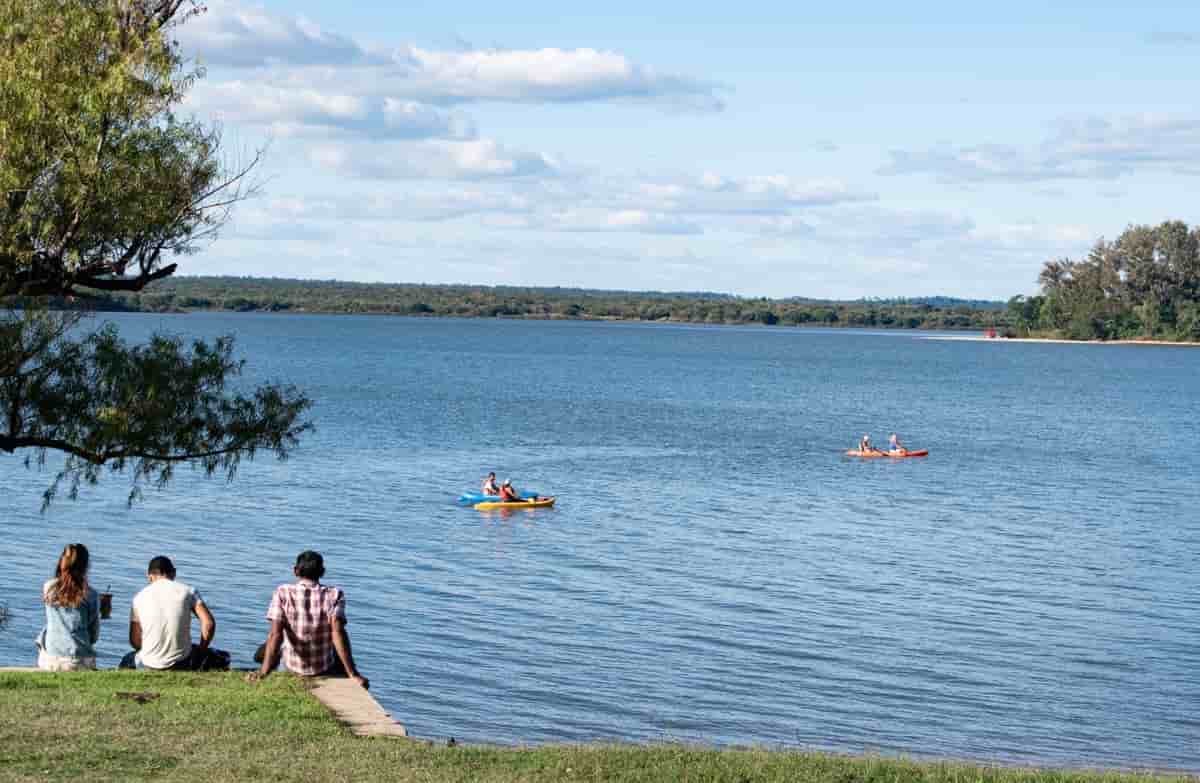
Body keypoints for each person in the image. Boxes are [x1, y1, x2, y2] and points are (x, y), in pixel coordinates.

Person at [249, 551, 368, 689]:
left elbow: (276, 635)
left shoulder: (283, 592)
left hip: (292, 666)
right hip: (323, 667)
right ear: (322, 572)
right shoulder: (335, 594)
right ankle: (349, 674)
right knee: (338, 640)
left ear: (295, 571)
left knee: (270, 645)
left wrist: (263, 672)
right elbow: (337, 633)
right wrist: (353, 674)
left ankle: (267, 666)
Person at [121, 556, 228, 671]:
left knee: (128, 659)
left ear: (149, 576)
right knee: (222, 657)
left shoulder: (138, 598)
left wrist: (152, 651)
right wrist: (202, 649)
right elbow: (208, 624)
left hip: (148, 663)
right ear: (174, 573)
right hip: (182, 662)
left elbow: (134, 640)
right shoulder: (188, 591)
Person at [36, 543, 100, 671]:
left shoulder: (48, 588)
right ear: (85, 567)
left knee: (46, 630)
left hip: (50, 660)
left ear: (62, 562)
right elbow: (93, 636)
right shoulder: (91, 595)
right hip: (79, 662)